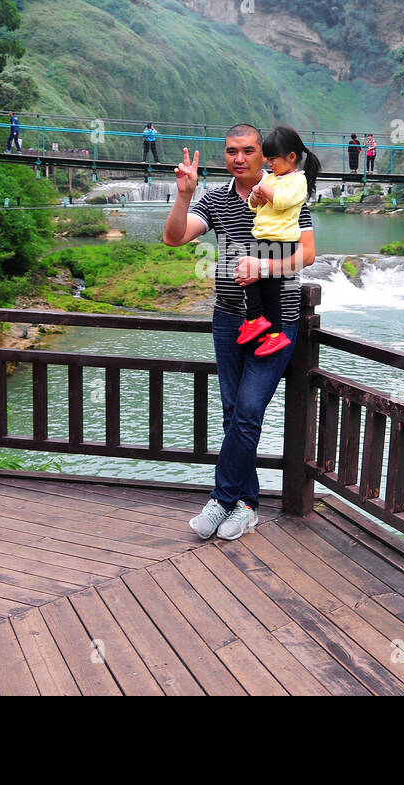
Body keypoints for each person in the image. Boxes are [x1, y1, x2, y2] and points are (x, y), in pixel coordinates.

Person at [162, 125, 316, 542]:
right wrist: (183, 193)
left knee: (247, 410)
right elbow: (174, 238)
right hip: (229, 319)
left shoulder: (285, 192)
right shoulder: (215, 199)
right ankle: (246, 504)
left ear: (264, 155)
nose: (240, 158)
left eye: (249, 151)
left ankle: (221, 497)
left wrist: (263, 268)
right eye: (232, 151)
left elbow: (307, 253)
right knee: (234, 414)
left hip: (278, 321)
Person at [239, 127, 321, 357]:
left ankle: (261, 323)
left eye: (273, 158)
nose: (269, 163)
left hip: (281, 241)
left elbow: (283, 201)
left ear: (291, 157)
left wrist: (264, 188)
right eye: (267, 158)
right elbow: (254, 207)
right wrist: (255, 197)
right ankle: (269, 330)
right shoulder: (272, 178)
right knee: (260, 284)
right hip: (264, 237)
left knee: (264, 285)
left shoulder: (297, 181)